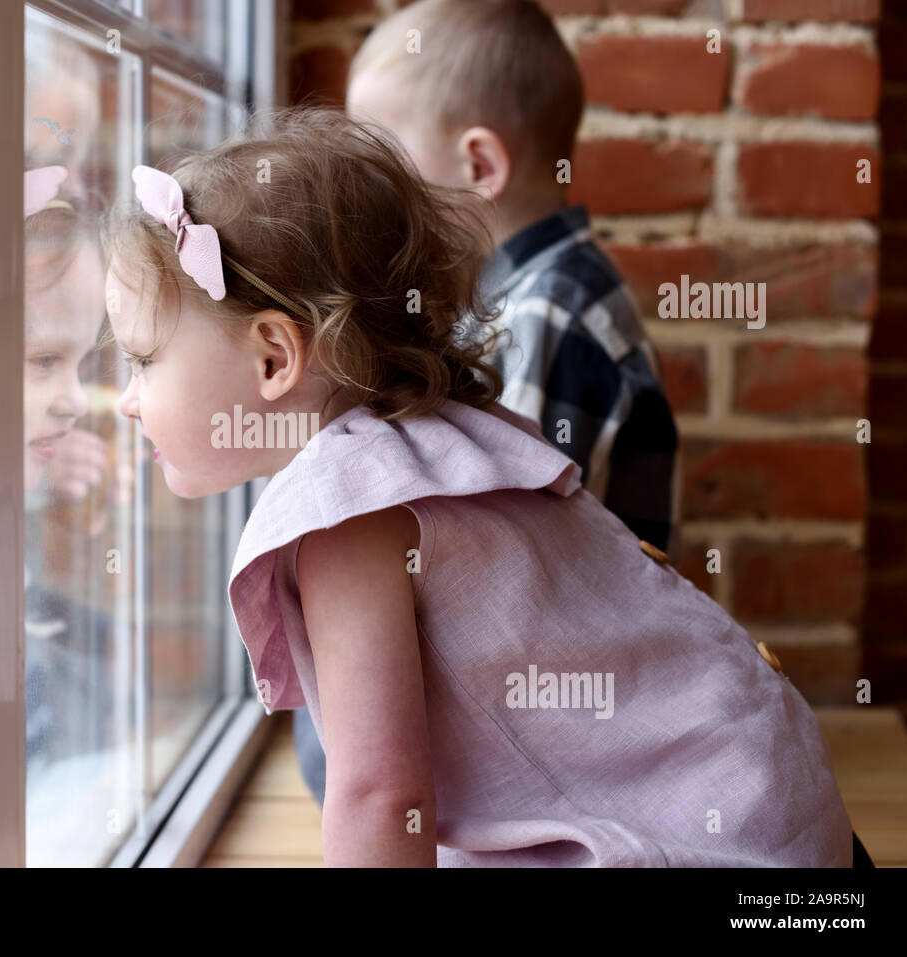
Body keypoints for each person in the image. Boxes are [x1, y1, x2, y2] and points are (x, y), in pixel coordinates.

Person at [101, 105, 860, 866]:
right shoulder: (452, 432)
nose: (127, 397)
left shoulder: (343, 510)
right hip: (776, 803)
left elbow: (379, 796)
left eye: (141, 359)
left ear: (273, 357)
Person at [286, 0, 684, 812]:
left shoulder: (551, 311)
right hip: (553, 668)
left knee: (345, 729)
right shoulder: (520, 295)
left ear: (477, 166)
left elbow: (503, 544)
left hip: (579, 684)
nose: (375, 201)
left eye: (388, 171)